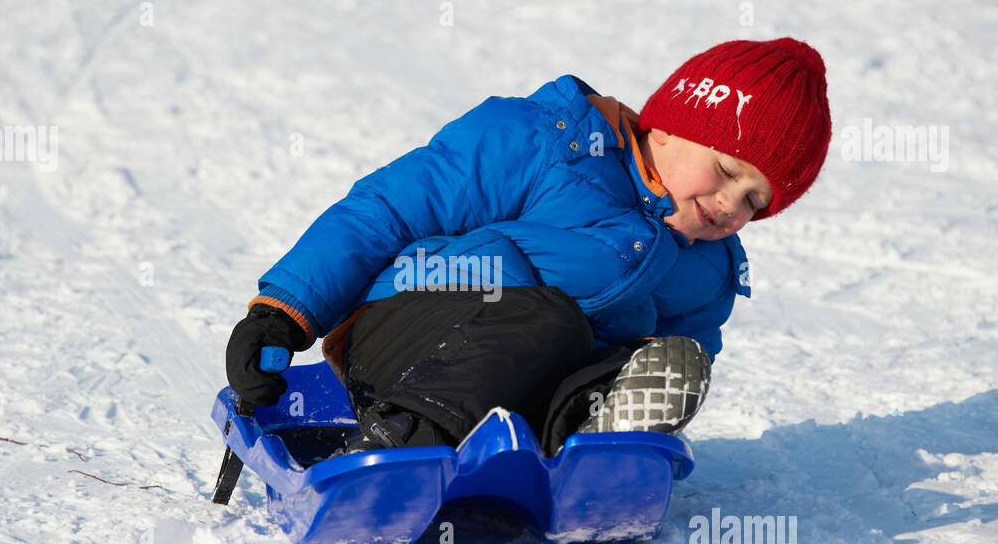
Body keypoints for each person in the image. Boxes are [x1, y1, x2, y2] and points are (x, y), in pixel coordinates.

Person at [225, 38, 831, 457]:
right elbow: (387, 208)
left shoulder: (708, 269)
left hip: (527, 381)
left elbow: (686, 340)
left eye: (756, 201)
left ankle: (590, 438)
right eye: (726, 170)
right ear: (669, 126)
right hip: (411, 334)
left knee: (646, 355)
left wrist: (645, 363)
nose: (731, 205)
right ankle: (402, 442)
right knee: (547, 321)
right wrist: (283, 313)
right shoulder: (552, 142)